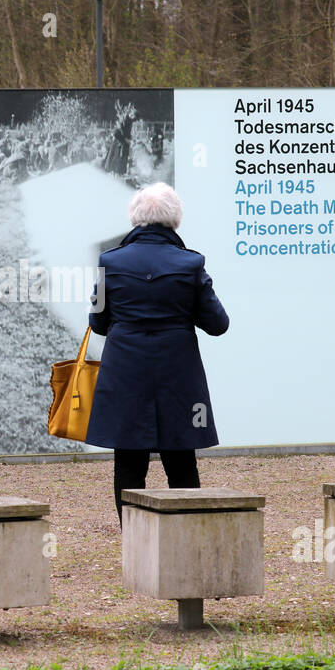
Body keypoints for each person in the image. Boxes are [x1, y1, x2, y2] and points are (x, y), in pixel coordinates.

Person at [84, 183, 230, 524]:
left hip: (124, 373)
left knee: (128, 464)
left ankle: (134, 545)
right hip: (177, 376)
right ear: (174, 219)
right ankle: (187, 537)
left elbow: (98, 322)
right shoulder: (191, 264)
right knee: (181, 463)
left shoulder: (109, 262)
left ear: (136, 218)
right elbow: (218, 323)